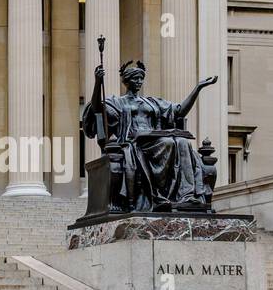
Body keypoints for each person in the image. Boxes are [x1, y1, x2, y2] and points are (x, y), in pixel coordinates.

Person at [82, 60, 218, 212]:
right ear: (126, 81)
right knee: (169, 143)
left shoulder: (152, 102)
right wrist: (97, 83)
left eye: (141, 78)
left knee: (183, 142)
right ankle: (158, 195)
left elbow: (179, 111)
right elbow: (96, 109)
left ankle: (187, 196)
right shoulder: (117, 102)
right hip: (134, 142)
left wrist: (198, 88)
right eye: (135, 78)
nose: (139, 82)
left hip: (155, 139)